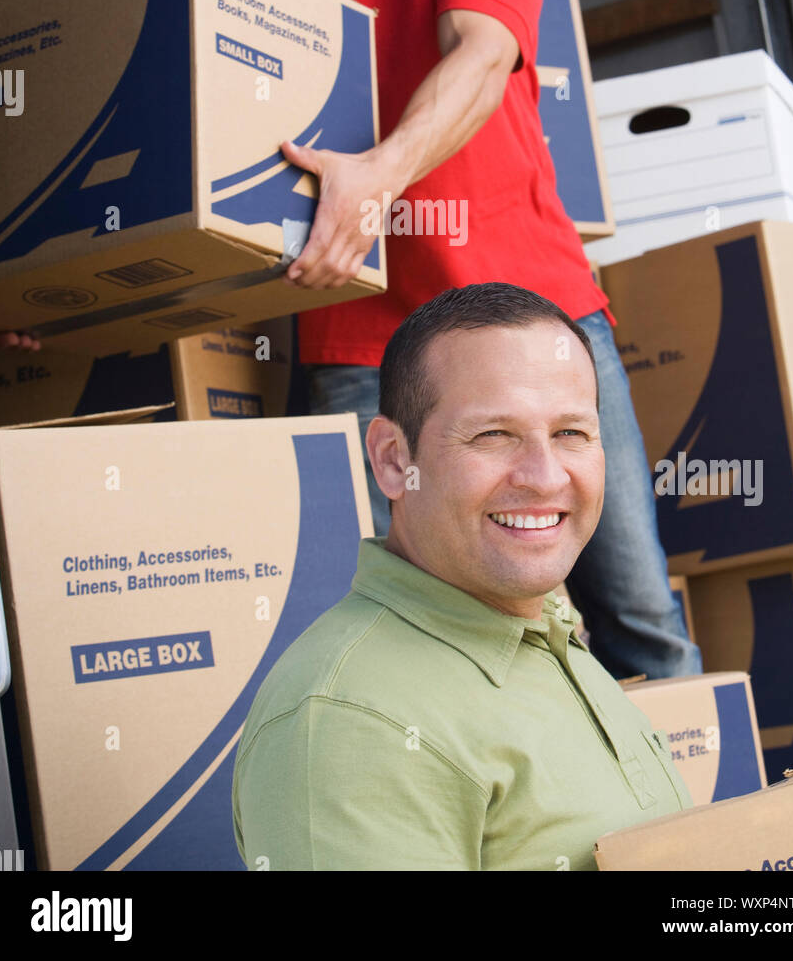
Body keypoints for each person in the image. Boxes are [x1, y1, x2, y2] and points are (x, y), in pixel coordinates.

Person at [196, 0, 701, 682]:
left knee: (634, 614)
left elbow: (480, 57)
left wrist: (376, 177)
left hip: (528, 304)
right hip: (348, 332)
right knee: (372, 644)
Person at [233, 284, 692, 871]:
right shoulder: (350, 723)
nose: (545, 478)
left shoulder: (546, 632)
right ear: (395, 461)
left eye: (571, 433)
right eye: (493, 435)